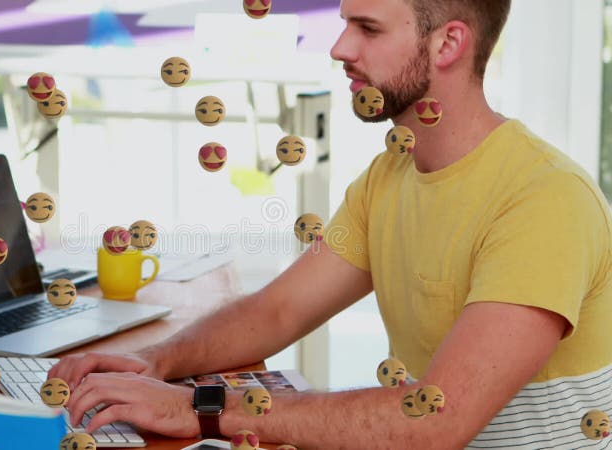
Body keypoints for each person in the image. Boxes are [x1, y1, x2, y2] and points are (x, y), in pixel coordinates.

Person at [49, 0, 612, 447]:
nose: (340, 48)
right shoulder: (390, 175)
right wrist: (155, 362)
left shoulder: (544, 199)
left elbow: (434, 421)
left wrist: (200, 409)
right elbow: (278, 310)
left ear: (449, 43)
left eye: (367, 28)